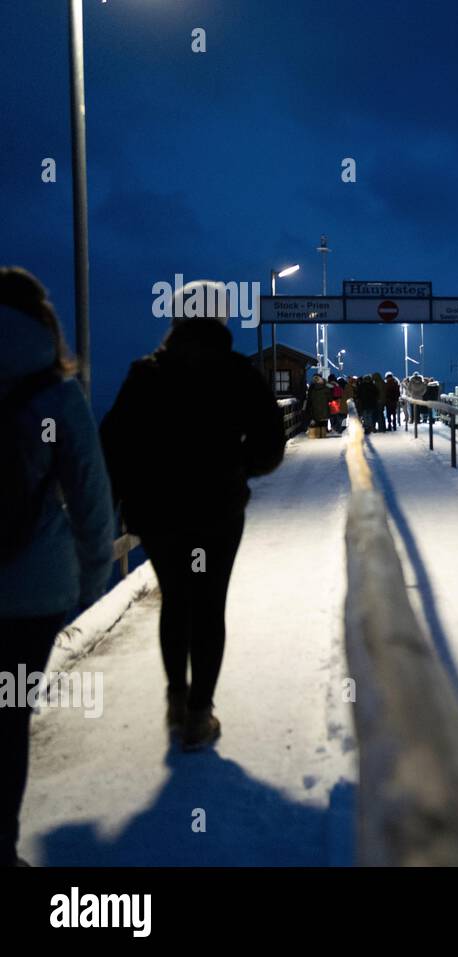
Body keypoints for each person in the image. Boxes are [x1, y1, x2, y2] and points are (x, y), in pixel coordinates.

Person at [100, 280, 285, 752]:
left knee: (175, 600)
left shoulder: (146, 374)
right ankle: (199, 716)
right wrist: (239, 470)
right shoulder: (238, 374)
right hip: (216, 512)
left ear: (177, 318)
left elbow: (112, 446)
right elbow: (270, 443)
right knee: (208, 605)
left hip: (159, 517)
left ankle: (176, 699)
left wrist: (127, 502)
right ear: (221, 318)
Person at [0, 267, 114, 867]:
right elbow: (92, 498)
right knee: (8, 718)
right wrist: (94, 580)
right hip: (30, 592)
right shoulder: (56, 395)